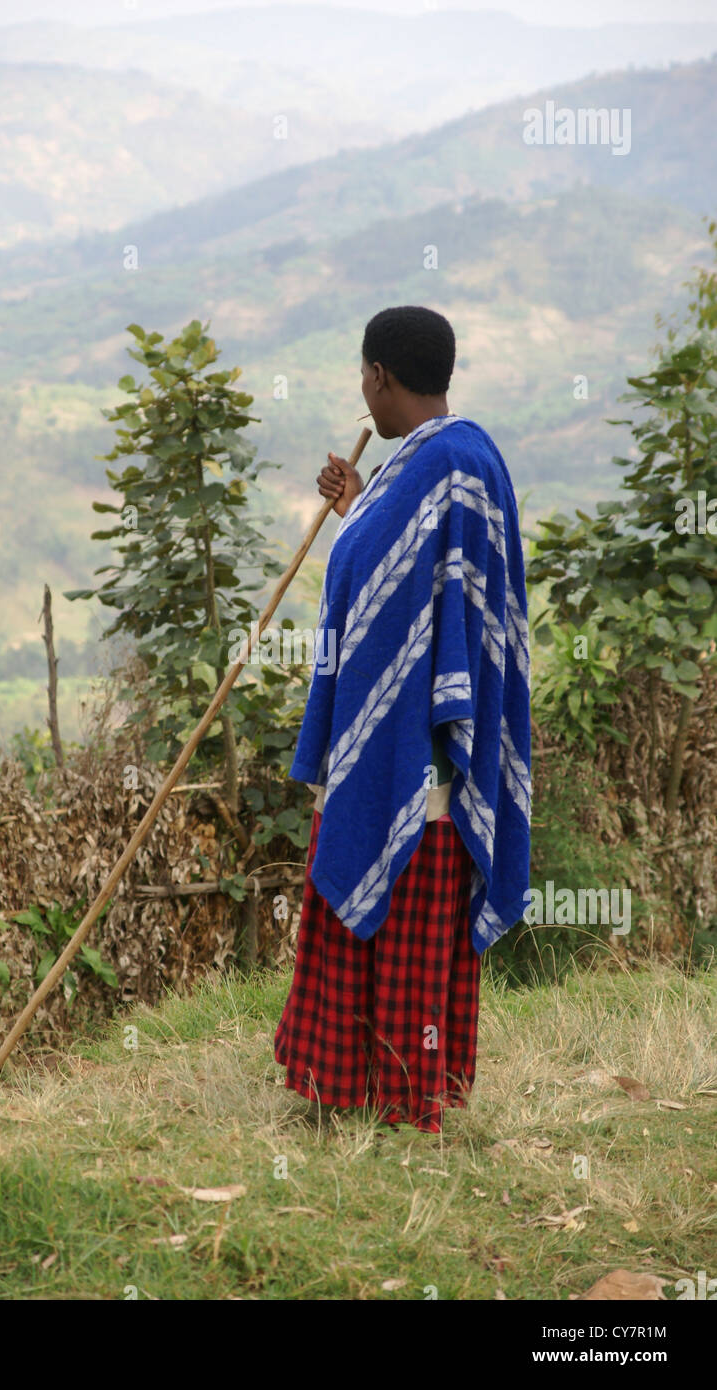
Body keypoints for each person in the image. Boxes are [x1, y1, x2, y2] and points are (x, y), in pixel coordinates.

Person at [274, 305, 531, 1132]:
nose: (364, 395)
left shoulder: (436, 466)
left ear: (380, 376)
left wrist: (360, 527)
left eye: (364, 378)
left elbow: (392, 590)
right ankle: (407, 1083)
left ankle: (378, 1085)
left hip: (413, 763)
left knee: (391, 899)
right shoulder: (467, 454)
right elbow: (417, 579)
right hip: (433, 750)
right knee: (416, 936)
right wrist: (361, 505)